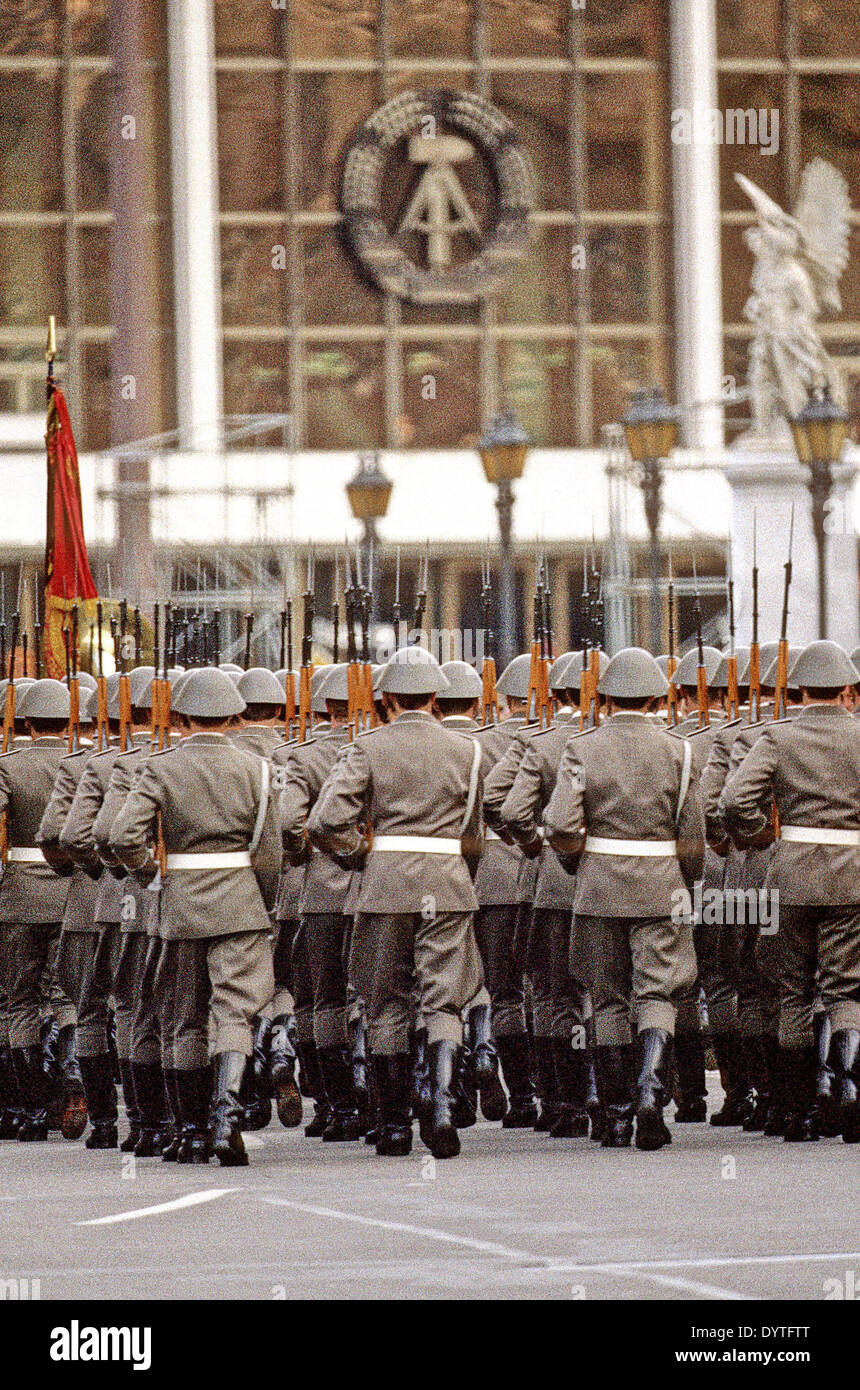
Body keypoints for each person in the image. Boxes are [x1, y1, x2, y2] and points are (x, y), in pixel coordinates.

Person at [306, 646, 484, 1161]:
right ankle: (444, 1109)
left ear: (384, 698)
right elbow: (471, 834)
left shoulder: (367, 747)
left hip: (386, 886)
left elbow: (323, 823)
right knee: (445, 1000)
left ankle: (393, 1127)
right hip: (447, 885)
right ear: (435, 696)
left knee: (386, 1004)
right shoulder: (467, 751)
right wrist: (457, 878)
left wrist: (359, 857)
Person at [109, 666, 275, 1168]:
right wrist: (259, 899)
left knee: (182, 1019)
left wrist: (147, 874)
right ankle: (227, 1120)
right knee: (233, 1012)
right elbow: (270, 851)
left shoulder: (160, 767)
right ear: (233, 716)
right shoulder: (257, 768)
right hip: (240, 902)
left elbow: (121, 836)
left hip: (179, 905)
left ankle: (191, 1132)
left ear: (179, 716)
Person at [544, 648, 704, 1151]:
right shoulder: (680, 750)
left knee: (608, 999)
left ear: (606, 698)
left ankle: (615, 1117)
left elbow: (563, 824)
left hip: (599, 889)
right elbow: (692, 835)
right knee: (657, 994)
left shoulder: (581, 747)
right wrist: (687, 879)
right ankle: (651, 1095)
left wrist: (578, 865)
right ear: (657, 696)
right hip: (662, 885)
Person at [720, 640, 860, 1143]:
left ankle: (798, 1111)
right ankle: (849, 1094)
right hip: (851, 876)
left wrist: (761, 833)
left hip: (791, 875)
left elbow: (734, 801)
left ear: (799, 689)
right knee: (846, 989)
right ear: (848, 689)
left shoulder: (778, 737)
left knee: (793, 991)